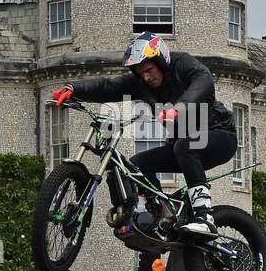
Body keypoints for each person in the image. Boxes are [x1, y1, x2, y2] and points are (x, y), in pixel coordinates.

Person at [51, 33, 237, 236]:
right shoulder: (142, 82)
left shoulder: (182, 64)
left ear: (161, 61)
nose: (146, 77)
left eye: (149, 70)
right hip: (181, 146)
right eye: (141, 73)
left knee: (184, 146)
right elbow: (108, 87)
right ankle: (161, 217)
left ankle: (205, 217)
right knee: (137, 165)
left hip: (219, 135)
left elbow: (204, 81)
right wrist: (73, 89)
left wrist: (179, 108)